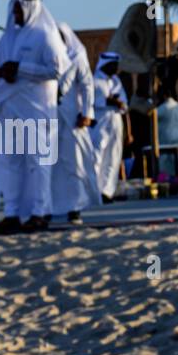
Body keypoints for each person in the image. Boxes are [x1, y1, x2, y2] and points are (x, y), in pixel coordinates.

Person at [0, 0, 69, 236]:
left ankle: (39, 213)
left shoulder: (46, 34)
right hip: (10, 109)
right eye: (14, 9)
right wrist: (2, 71)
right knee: (10, 163)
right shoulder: (7, 37)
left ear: (32, 9)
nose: (16, 13)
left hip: (37, 111)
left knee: (38, 163)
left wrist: (21, 69)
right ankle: (12, 214)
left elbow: (59, 68)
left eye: (20, 9)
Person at [50, 23, 100, 223]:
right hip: (50, 116)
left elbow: (87, 85)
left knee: (73, 163)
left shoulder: (77, 56)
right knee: (53, 164)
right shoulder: (49, 55)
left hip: (72, 118)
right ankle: (53, 207)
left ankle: (75, 208)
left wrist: (86, 112)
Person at [91, 53, 128, 200]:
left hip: (116, 120)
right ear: (106, 64)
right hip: (101, 121)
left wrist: (117, 103)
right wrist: (110, 101)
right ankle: (94, 190)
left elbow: (124, 104)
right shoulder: (94, 80)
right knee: (97, 154)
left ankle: (107, 191)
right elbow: (96, 101)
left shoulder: (116, 81)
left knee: (113, 156)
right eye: (114, 65)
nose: (117, 68)